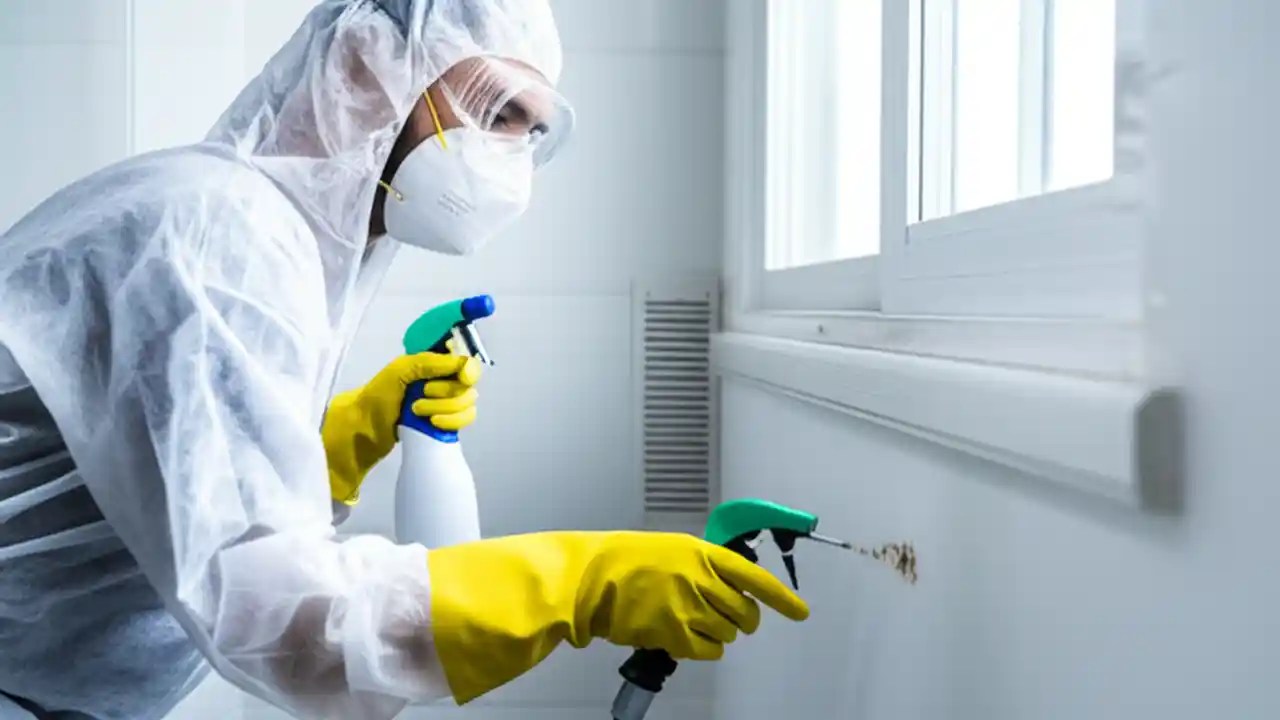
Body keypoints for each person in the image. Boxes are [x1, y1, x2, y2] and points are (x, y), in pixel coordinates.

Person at [0, 1, 808, 719]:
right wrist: (578, 581)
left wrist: (336, 440)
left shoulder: (276, 237)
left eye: (532, 132)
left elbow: (151, 476)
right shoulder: (221, 235)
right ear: (364, 62)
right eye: (495, 110)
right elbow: (279, 617)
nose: (511, 165)